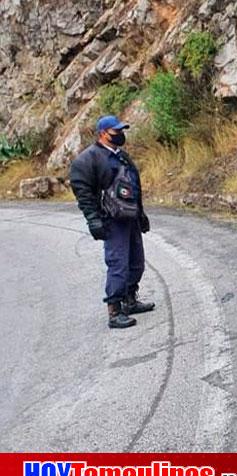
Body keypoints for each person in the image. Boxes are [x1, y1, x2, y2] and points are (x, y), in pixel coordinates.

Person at [69, 115, 155, 329]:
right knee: (118, 264)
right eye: (116, 131)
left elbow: (134, 187)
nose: (120, 134)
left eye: (121, 130)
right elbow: (84, 193)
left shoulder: (122, 157)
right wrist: (93, 220)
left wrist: (141, 214)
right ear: (102, 134)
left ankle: (130, 300)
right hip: (111, 220)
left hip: (130, 218)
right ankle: (114, 311)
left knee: (137, 262)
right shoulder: (87, 160)